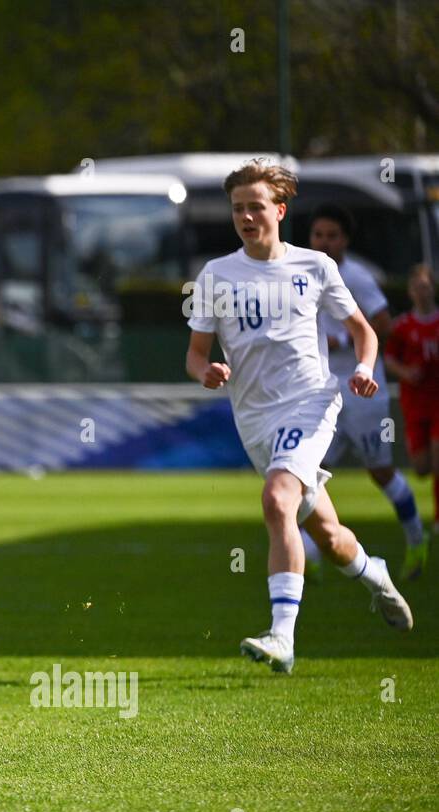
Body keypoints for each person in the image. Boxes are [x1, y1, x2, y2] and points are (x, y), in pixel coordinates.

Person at [184, 161, 413, 674]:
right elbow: (195, 352)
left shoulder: (315, 266)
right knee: (329, 536)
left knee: (276, 499)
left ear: (279, 210)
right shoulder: (216, 275)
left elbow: (364, 330)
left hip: (311, 402)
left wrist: (364, 367)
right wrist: (207, 371)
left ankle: (282, 637)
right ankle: (373, 574)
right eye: (238, 207)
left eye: (255, 206)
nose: (245, 215)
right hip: (255, 420)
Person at [301, 204, 425, 580]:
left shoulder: (356, 276)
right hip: (320, 393)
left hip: (360, 391)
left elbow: (383, 323)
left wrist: (344, 341)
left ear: (346, 240)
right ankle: (309, 558)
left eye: (332, 235)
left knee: (381, 472)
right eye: (318, 234)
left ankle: (417, 540)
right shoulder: (302, 272)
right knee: (303, 472)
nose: (324, 241)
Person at [384, 264, 439, 559]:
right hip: (414, 402)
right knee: (420, 468)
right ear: (410, 292)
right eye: (417, 287)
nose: (422, 291)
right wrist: (407, 372)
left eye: (426, 286)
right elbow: (389, 358)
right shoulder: (402, 326)